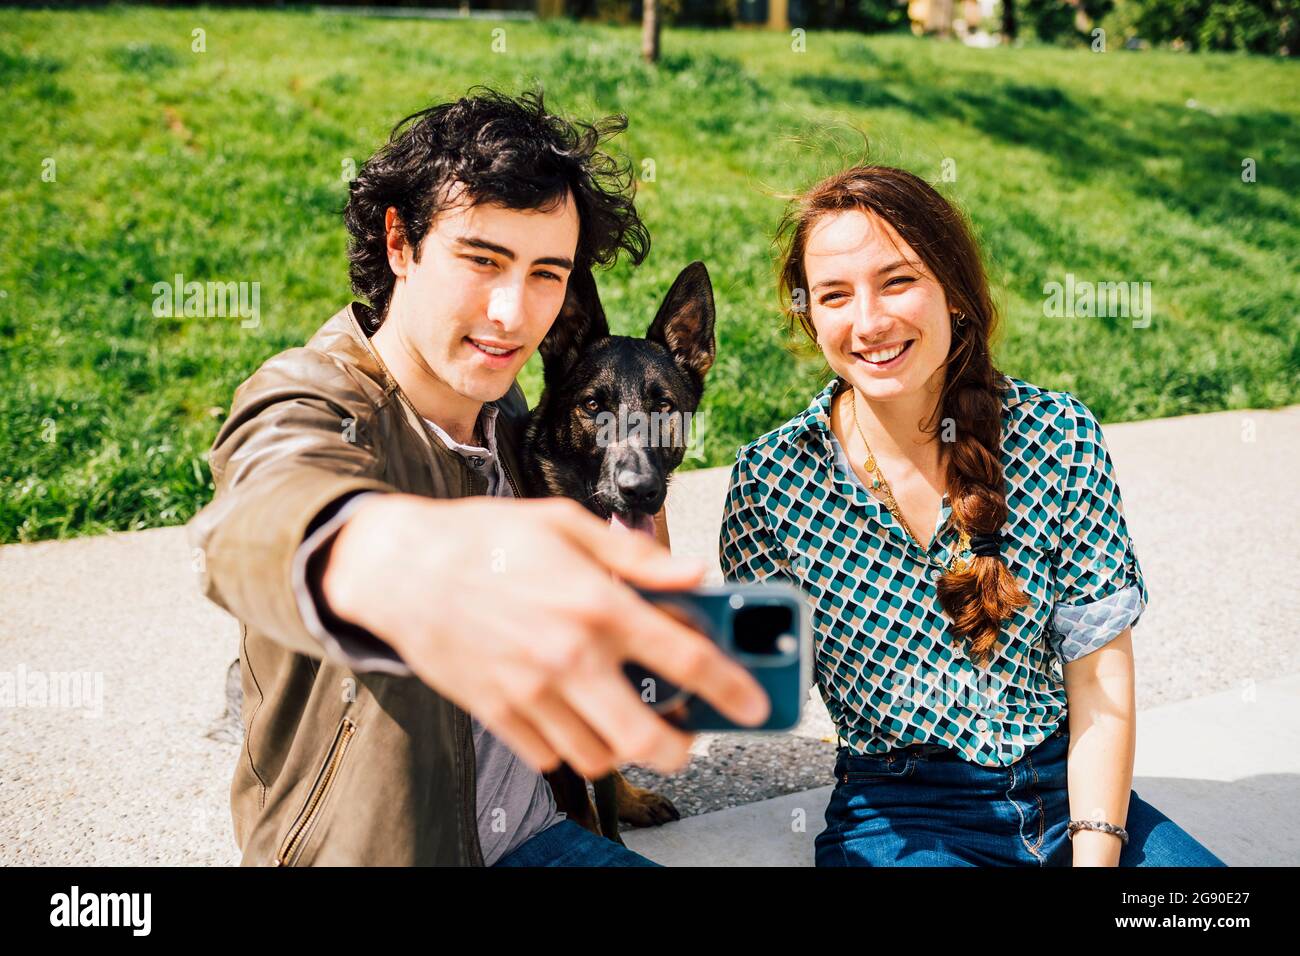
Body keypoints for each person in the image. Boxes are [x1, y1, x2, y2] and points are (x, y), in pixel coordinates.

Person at [188, 87, 769, 867]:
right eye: (482, 259)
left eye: (545, 273)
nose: (511, 311)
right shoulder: (312, 394)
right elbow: (261, 513)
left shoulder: (516, 421)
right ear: (401, 242)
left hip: (539, 833)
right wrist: (382, 550)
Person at [718, 164, 1226, 867]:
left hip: (1069, 786)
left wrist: (1097, 849)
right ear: (812, 317)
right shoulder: (774, 482)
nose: (869, 321)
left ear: (954, 292)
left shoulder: (1058, 436)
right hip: (901, 808)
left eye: (898, 280)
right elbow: (760, 686)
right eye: (835, 295)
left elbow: (1099, 681)